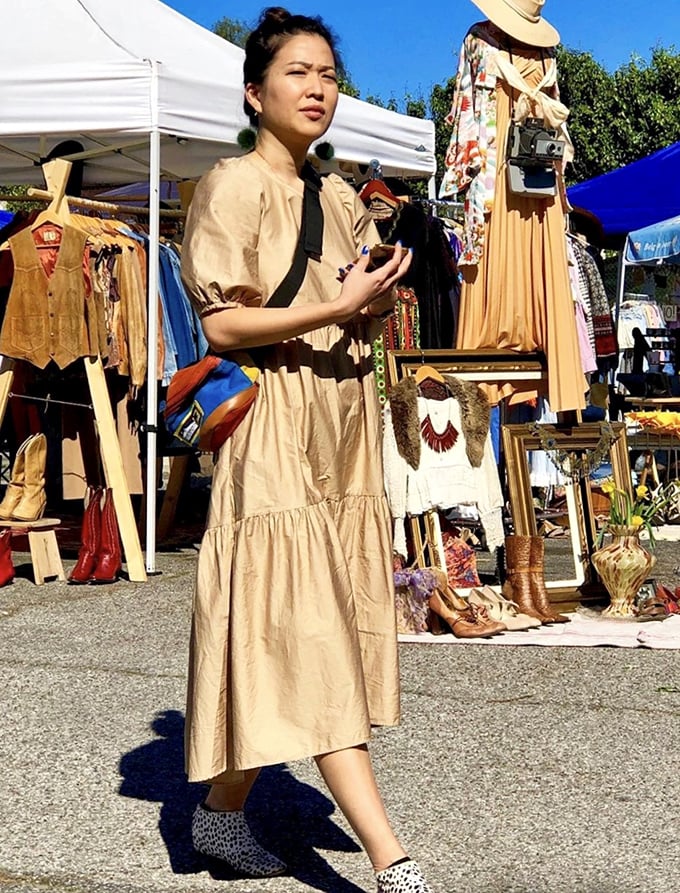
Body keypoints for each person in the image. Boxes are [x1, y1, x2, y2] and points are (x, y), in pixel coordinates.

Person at [180, 8, 435, 893]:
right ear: (256, 93)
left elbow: (344, 294)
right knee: (313, 627)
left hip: (339, 413)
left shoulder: (336, 193)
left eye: (328, 73)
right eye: (298, 72)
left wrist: (371, 294)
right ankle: (392, 858)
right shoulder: (230, 185)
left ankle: (219, 814)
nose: (319, 87)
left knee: (293, 628)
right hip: (272, 416)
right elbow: (222, 320)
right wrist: (333, 307)